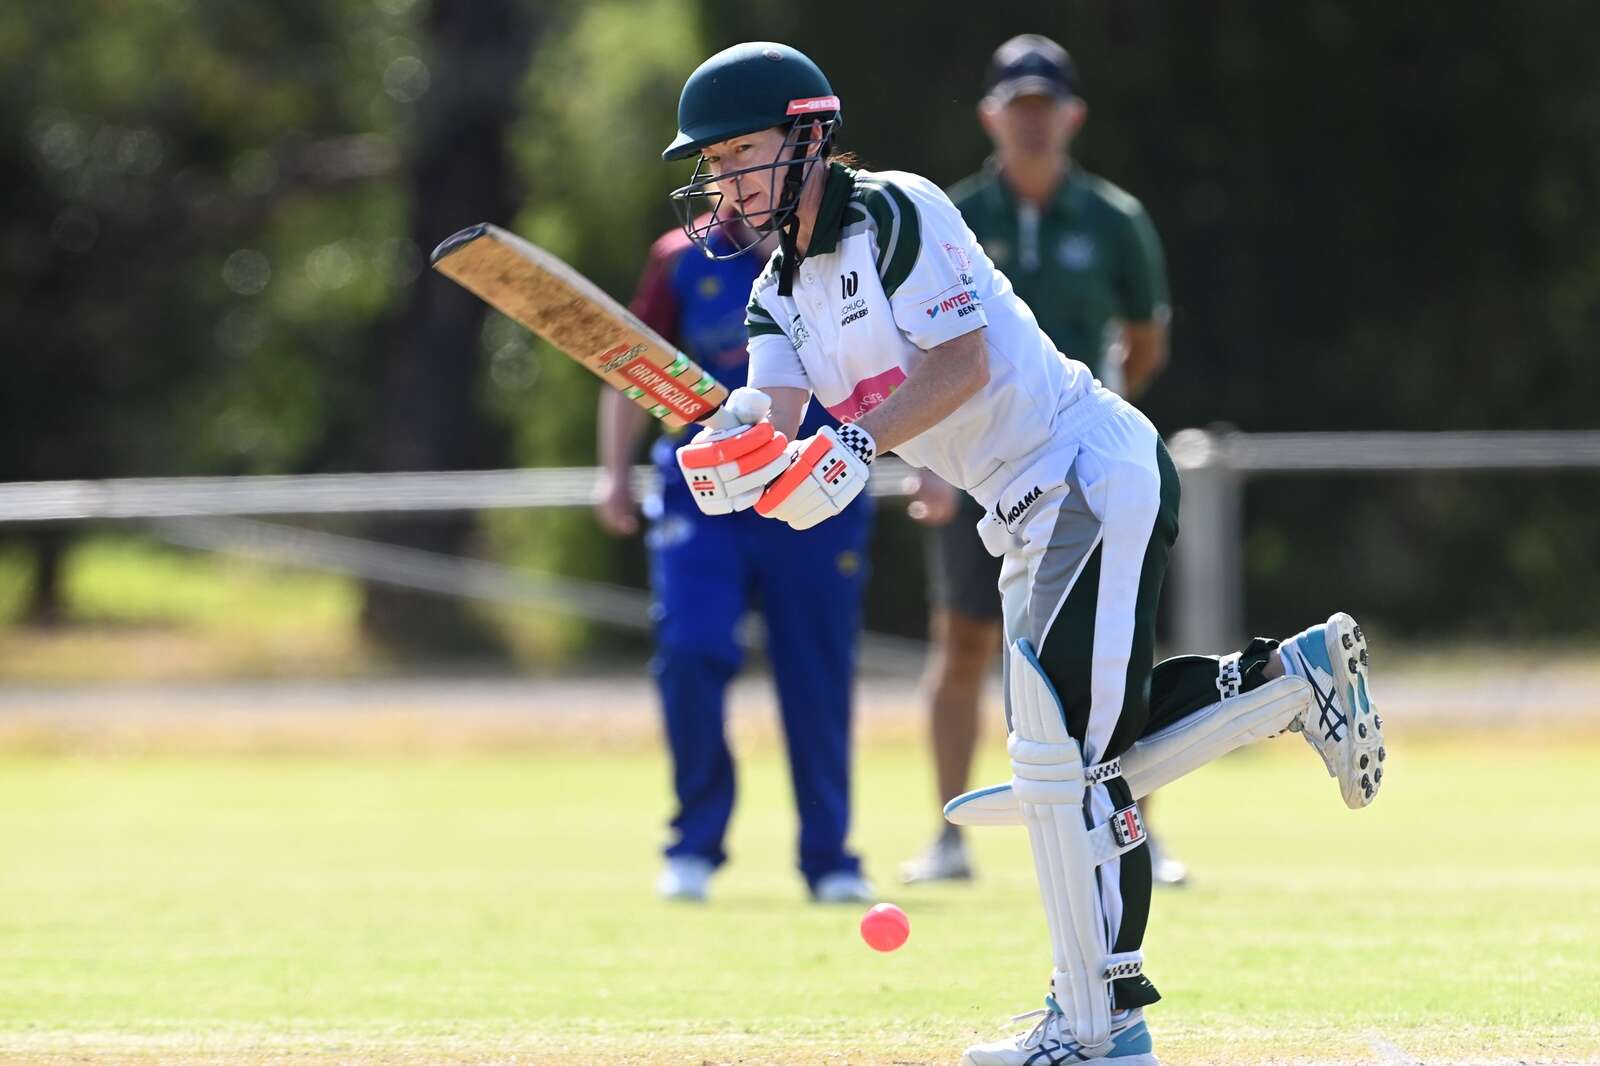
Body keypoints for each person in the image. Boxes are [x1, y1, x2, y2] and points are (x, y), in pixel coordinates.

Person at [658, 41, 1387, 1064]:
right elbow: (774, 423)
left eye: (743, 153)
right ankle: (1281, 683)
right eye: (715, 163)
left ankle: (1097, 1024)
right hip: (1019, 509)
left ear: (809, 136)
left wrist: (854, 445)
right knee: (1089, 752)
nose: (726, 183)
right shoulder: (775, 295)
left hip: (1084, 466)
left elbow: (959, 363)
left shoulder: (894, 213)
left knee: (1061, 757)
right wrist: (740, 465)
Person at [900, 34, 1184, 888]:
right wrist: (928, 458)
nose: (1030, 124)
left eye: (1044, 108)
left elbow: (1143, 343)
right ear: (991, 114)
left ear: (1071, 117)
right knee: (964, 647)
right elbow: (915, 354)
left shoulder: (1114, 221)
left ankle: (1132, 829)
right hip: (975, 471)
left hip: (1083, 468)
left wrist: (1094, 423)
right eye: (1015, 108)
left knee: (1109, 652)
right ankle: (950, 838)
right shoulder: (946, 216)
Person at [593, 209, 875, 904]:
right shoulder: (679, 256)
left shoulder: (847, 247)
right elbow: (635, 363)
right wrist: (613, 471)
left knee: (816, 671)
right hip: (704, 491)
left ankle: (828, 855)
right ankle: (694, 842)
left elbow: (900, 358)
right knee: (691, 649)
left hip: (814, 487)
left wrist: (930, 462)